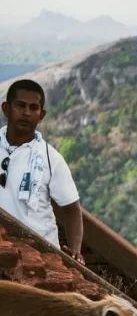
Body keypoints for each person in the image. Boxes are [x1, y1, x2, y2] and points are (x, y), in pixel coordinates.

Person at [0, 79, 83, 261]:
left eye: (33, 108)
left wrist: (75, 251)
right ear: (6, 109)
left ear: (41, 115)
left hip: (42, 258)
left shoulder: (51, 158)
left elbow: (72, 209)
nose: (26, 113)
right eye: (20, 106)